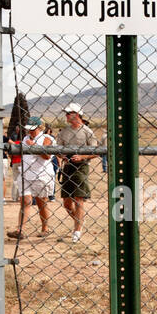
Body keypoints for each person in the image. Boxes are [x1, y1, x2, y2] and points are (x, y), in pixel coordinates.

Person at [57, 103, 96, 244]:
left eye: (69, 113)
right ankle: (79, 221)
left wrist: (82, 157)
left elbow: (95, 152)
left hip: (81, 166)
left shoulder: (87, 132)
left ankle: (77, 230)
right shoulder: (63, 132)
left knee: (78, 199)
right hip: (68, 166)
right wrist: (63, 156)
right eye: (66, 113)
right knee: (67, 203)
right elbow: (58, 150)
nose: (66, 116)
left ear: (77, 114)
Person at [14, 119, 57, 238]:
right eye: (28, 129)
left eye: (32, 129)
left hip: (41, 175)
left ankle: (45, 228)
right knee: (25, 201)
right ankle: (19, 230)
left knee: (41, 202)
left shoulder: (47, 138)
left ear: (39, 127)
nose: (30, 131)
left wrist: (35, 146)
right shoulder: (25, 138)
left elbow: (47, 156)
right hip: (26, 174)